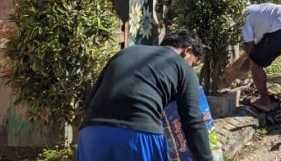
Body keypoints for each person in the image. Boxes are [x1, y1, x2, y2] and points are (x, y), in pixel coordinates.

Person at [77, 30, 212, 161]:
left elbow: (90, 100)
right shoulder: (183, 67)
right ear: (187, 51)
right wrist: (205, 158)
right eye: (193, 63)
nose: (191, 67)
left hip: (91, 134)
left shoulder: (125, 53)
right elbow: (193, 121)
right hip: (137, 136)